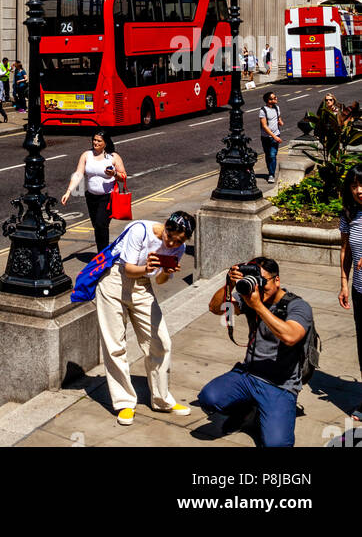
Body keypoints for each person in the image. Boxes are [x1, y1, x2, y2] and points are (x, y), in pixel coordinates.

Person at [94, 209, 195, 425]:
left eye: (179, 242)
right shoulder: (139, 231)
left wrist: (166, 271)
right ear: (166, 226)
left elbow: (159, 281)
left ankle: (162, 399)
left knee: (161, 342)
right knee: (115, 345)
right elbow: (129, 270)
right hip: (114, 281)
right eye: (170, 238)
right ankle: (124, 403)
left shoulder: (181, 248)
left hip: (143, 287)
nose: (172, 245)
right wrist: (147, 267)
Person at [201, 257, 314, 448]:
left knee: (276, 444)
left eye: (263, 283)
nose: (259, 289)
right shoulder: (251, 295)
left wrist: (258, 306)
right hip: (249, 374)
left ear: (277, 280)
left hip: (280, 384)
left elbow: (291, 336)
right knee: (209, 399)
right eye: (255, 282)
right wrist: (229, 285)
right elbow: (215, 308)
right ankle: (245, 410)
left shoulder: (297, 306)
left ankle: (266, 410)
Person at [61, 129, 127, 253]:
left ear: (105, 143)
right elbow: (78, 174)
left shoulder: (113, 157)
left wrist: (114, 174)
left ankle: (103, 256)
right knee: (97, 226)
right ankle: (101, 252)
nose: (95, 143)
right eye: (94, 140)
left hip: (108, 197)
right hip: (91, 197)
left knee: (102, 224)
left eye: (99, 141)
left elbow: (123, 177)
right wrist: (68, 191)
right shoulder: (87, 155)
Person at [339, 166, 362, 426]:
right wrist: (344, 283)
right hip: (360, 290)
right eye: (354, 186)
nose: (359, 190)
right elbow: (345, 250)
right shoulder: (349, 213)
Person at [259, 89, 283, 183]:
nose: (276, 99)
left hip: (276, 134)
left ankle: (271, 174)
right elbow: (264, 126)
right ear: (268, 101)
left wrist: (280, 121)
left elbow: (279, 117)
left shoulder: (277, 108)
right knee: (268, 155)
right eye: (273, 98)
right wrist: (274, 136)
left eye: (275, 97)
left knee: (272, 155)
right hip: (266, 137)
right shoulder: (263, 110)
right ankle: (270, 171)